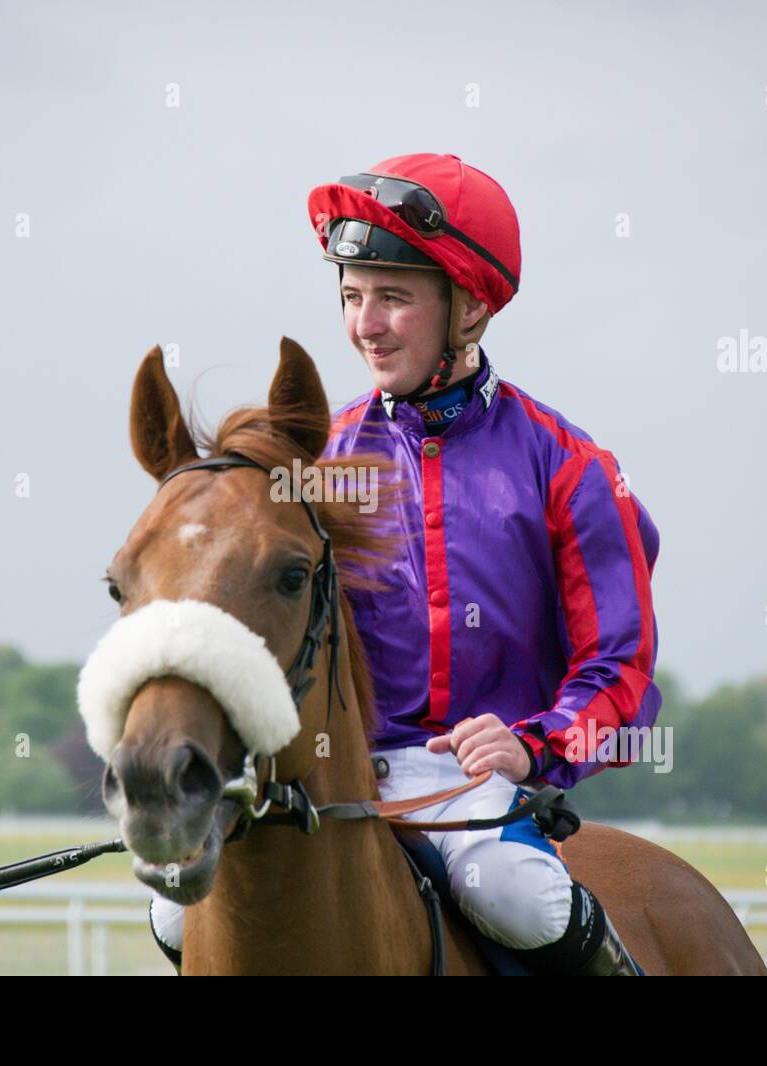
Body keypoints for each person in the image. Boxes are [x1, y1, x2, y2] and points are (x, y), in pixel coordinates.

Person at [150, 153, 661, 975]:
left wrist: (535, 748)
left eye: (393, 297)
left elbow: (623, 671)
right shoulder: (314, 467)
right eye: (352, 296)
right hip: (322, 781)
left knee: (517, 896)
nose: (365, 324)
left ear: (469, 307)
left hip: (477, 793)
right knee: (174, 912)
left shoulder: (571, 466)